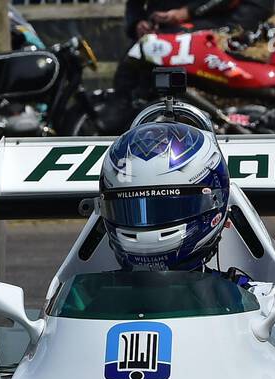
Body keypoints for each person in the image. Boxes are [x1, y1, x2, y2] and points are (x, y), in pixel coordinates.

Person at [96, 103, 231, 273]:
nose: (147, 231)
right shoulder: (85, 296)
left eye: (168, 209)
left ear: (216, 200)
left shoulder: (254, 295)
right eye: (130, 211)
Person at [106, 0, 275, 133]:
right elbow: (134, 6)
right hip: (163, 29)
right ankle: (118, 124)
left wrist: (186, 12)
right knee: (132, 62)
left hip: (202, 24)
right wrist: (137, 23)